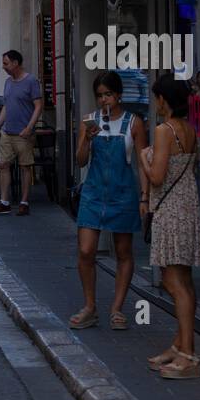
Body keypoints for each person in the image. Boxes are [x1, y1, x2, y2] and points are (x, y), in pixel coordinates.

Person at [140, 73, 200, 379]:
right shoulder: (190, 129)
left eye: (157, 97)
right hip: (188, 205)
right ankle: (180, 346)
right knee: (185, 279)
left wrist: (144, 157)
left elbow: (156, 176)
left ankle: (189, 353)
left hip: (170, 208)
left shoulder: (164, 130)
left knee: (172, 281)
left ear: (163, 100)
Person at [69, 72, 148, 330]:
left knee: (123, 251)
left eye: (109, 94)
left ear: (118, 95)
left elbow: (142, 162)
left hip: (123, 192)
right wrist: (86, 139)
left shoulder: (133, 123)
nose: (104, 100)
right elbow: (80, 161)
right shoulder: (89, 122)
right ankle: (90, 306)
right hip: (93, 193)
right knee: (85, 250)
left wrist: (145, 197)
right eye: (100, 95)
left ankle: (116, 308)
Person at [0, 50, 44, 216]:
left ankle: (24, 201)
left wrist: (29, 127)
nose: (3, 67)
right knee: (3, 165)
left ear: (15, 63)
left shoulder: (31, 81)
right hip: (7, 132)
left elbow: (38, 105)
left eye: (6, 63)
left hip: (23, 133)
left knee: (25, 167)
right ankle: (4, 202)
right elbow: (6, 106)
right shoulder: (8, 82)